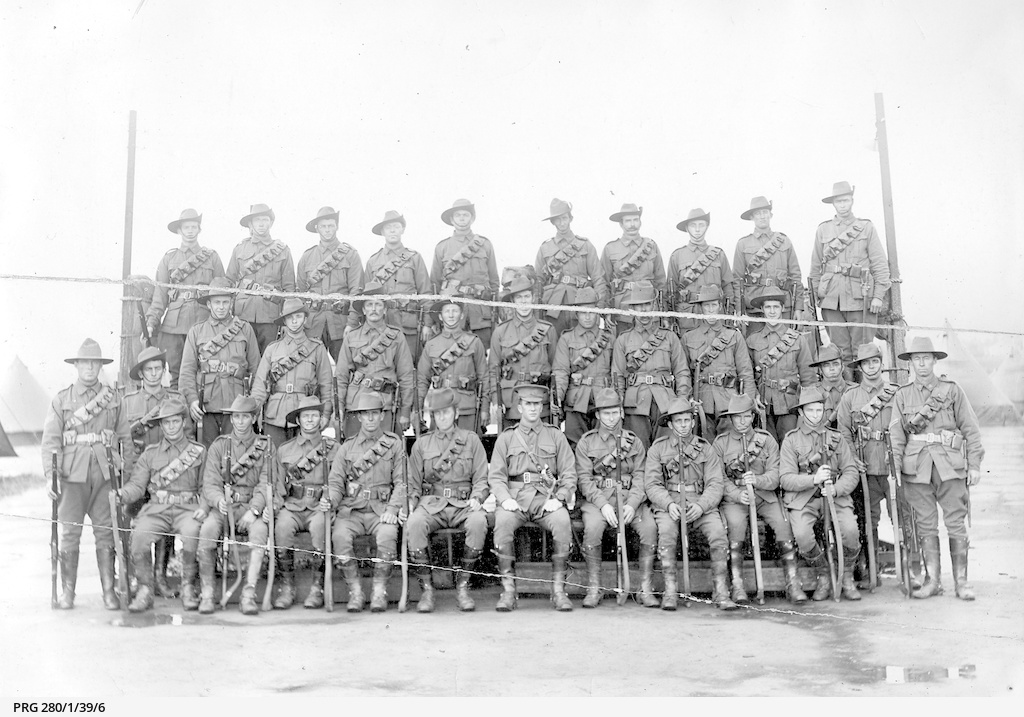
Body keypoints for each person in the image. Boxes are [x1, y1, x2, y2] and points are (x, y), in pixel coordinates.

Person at [888, 336, 984, 601]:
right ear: (910, 363)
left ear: (934, 360)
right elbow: (896, 437)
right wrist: (895, 471)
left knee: (955, 521)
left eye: (926, 358)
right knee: (925, 525)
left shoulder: (952, 391)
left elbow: (971, 430)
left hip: (949, 466)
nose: (921, 364)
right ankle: (932, 581)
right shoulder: (902, 395)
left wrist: (974, 465)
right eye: (916, 359)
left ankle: (961, 582)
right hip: (916, 469)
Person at [42, 338, 135, 610]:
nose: (90, 368)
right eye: (85, 363)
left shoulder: (113, 399)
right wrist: (51, 475)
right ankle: (68, 593)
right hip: (72, 475)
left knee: (106, 533)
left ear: (99, 366)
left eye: (95, 363)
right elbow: (50, 442)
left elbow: (125, 438)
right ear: (77, 365)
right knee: (70, 533)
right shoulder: (62, 399)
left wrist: (125, 477)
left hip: (105, 475)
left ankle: (109, 591)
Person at [489, 384, 578, 612]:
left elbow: (569, 472)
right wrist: (504, 497)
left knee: (562, 521)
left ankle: (559, 591)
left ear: (543, 407)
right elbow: (496, 476)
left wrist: (559, 498)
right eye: (528, 404)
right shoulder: (506, 438)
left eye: (537, 404)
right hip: (515, 498)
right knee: (502, 524)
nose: (533, 409)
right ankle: (509, 592)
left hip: (544, 498)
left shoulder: (555, 435)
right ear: (519, 407)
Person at [115, 397, 208, 612]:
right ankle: (146, 590)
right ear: (161, 425)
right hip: (157, 509)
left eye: (175, 421)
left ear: (184, 422)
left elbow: (206, 486)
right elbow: (137, 486)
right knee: (139, 536)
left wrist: (203, 508)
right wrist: (121, 494)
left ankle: (187, 588)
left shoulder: (199, 452)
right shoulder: (150, 454)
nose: (171, 427)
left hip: (188, 509)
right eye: (166, 423)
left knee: (192, 533)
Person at [712, 394, 807, 604]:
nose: (742, 421)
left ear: (752, 417)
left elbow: (775, 476)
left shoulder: (767, 440)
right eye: (737, 417)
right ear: (731, 419)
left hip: (764, 495)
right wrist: (738, 494)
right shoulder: (721, 444)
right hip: (736, 499)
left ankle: (793, 583)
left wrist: (758, 480)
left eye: (746, 416)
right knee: (735, 528)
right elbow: (719, 479)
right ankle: (737, 585)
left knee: (784, 526)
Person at [644, 397, 737, 611]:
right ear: (670, 424)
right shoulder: (658, 449)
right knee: (666, 532)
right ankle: (670, 590)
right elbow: (652, 484)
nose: (684, 425)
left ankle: (721, 590)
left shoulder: (705, 449)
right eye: (678, 421)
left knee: (717, 534)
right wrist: (668, 505)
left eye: (687, 420)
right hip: (670, 502)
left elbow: (715, 483)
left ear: (693, 422)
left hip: (699, 502)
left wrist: (702, 506)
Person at [406, 388, 490, 612]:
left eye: (446, 412)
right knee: (414, 524)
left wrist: (477, 497)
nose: (441, 417)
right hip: (432, 505)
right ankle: (427, 591)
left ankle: (463, 587)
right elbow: (413, 483)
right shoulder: (421, 445)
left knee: (479, 522)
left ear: (455, 412)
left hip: (464, 505)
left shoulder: (471, 441)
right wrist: (411, 504)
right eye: (437, 413)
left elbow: (482, 478)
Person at [123, 346, 194, 600]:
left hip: (168, 473)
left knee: (165, 528)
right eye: (148, 370)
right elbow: (123, 440)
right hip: (139, 474)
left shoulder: (175, 400)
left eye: (157, 369)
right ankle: (139, 579)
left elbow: (186, 437)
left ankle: (161, 578)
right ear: (140, 373)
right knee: (136, 524)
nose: (153, 374)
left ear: (163, 371)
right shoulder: (128, 402)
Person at [574, 388, 657, 607]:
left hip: (630, 498)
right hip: (598, 500)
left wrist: (632, 504)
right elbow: (584, 479)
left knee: (649, 527)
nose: (611, 417)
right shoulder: (586, 442)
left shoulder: (634, 442)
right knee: (592, 528)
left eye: (614, 412)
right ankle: (594, 587)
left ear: (621, 412)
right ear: (598, 415)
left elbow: (641, 475)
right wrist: (602, 506)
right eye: (605, 413)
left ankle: (644, 588)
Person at [328, 392, 409, 613]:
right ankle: (355, 591)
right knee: (340, 536)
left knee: (388, 535)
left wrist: (393, 509)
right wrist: (331, 501)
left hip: (381, 511)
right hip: (351, 511)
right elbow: (336, 483)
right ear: (359, 417)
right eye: (366, 414)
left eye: (375, 413)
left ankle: (379, 591)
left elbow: (402, 482)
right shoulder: (346, 448)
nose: (371, 419)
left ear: (382, 416)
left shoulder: (393, 445)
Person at [779, 386, 861, 601]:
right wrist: (812, 480)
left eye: (819, 410)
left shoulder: (836, 438)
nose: (815, 415)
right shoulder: (791, 440)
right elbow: (785, 478)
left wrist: (837, 488)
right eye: (810, 411)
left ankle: (846, 576)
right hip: (804, 499)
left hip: (835, 496)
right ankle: (823, 574)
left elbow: (851, 471)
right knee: (803, 535)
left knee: (850, 531)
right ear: (801, 412)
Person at [198, 396, 274, 615]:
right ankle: (207, 594)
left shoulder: (265, 446)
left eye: (245, 417)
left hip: (251, 505)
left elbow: (266, 481)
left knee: (260, 531)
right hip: (225, 506)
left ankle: (248, 595)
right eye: (236, 417)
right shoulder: (220, 446)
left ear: (253, 418)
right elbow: (210, 482)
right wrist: (218, 500)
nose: (240, 422)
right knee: (208, 530)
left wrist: (255, 510)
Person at [808, 181, 891, 376]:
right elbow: (815, 268)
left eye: (845, 200)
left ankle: (866, 395)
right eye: (839, 201)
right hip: (831, 301)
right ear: (833, 204)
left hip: (861, 299)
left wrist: (878, 296)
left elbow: (879, 264)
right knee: (839, 353)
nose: (842, 204)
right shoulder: (823, 230)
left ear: (852, 201)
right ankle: (847, 398)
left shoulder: (866, 227)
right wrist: (816, 298)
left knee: (864, 352)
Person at [837, 343, 900, 589]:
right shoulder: (850, 397)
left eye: (875, 362)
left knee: (901, 518)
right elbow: (843, 430)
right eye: (866, 363)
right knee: (869, 520)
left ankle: (907, 569)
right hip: (866, 469)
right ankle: (872, 571)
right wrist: (853, 458)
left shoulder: (897, 392)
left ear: (881, 364)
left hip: (891, 465)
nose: (871, 367)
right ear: (860, 367)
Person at [271, 396, 340, 610]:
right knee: (281, 527)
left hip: (320, 506)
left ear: (321, 419)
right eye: (305, 416)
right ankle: (287, 587)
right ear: (298, 420)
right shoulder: (284, 450)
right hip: (292, 504)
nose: (310, 420)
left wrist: (332, 500)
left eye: (314, 415)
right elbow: (278, 484)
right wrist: (274, 506)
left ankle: (316, 588)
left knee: (320, 528)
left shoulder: (334, 449)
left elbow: (338, 481)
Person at [144, 208, 226, 384]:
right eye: (186, 227)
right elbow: (160, 296)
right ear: (179, 230)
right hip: (174, 325)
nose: (190, 230)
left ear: (199, 229)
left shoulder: (212, 258)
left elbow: (221, 293)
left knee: (204, 374)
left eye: (194, 227)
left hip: (203, 323)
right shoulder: (168, 259)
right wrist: (151, 322)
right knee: (175, 375)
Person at [178, 278, 261, 446]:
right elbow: (187, 372)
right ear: (209, 304)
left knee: (237, 455)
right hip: (207, 406)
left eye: (225, 302)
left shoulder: (245, 329)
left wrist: (253, 405)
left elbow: (256, 370)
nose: (221, 307)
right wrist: (193, 400)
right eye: (217, 302)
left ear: (231, 303)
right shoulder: (197, 332)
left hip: (238, 406)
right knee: (208, 456)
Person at [611, 280, 691, 448]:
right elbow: (617, 376)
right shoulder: (623, 339)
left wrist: (682, 403)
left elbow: (682, 372)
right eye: (639, 306)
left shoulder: (669, 337)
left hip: (666, 403)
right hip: (635, 405)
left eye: (647, 304)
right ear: (632, 309)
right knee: (637, 451)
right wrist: (619, 405)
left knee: (668, 452)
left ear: (654, 304)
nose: (644, 311)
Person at [250, 298, 334, 447]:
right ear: (284, 321)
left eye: (298, 316)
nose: (294, 321)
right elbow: (260, 386)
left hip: (305, 414)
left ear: (305, 319)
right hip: (275, 416)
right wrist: (255, 411)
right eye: (290, 317)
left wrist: (326, 414)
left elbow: (326, 385)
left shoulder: (317, 349)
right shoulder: (272, 349)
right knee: (274, 462)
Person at [335, 282, 415, 438]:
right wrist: (339, 408)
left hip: (385, 406)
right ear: (363, 310)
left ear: (385, 309)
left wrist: (405, 411)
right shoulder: (351, 337)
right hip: (356, 404)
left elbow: (406, 377)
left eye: (378, 304)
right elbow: (341, 377)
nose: (373, 309)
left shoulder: (397, 337)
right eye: (369, 304)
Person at [682, 285, 755, 441]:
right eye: (706, 306)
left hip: (729, 401)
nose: (710, 310)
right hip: (702, 400)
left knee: (731, 448)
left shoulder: (733, 336)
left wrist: (747, 404)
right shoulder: (688, 337)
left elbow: (746, 372)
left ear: (720, 307)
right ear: (700, 308)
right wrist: (688, 400)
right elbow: (684, 373)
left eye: (713, 305)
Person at [745, 287, 816, 443]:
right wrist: (754, 396)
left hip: (789, 404)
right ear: (762, 309)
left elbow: (808, 377)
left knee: (789, 446)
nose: (772, 311)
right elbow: (747, 374)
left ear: (783, 308)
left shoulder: (797, 339)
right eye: (768, 307)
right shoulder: (752, 340)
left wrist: (808, 407)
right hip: (763, 403)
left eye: (776, 307)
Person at [226, 203, 296, 354]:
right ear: (250, 224)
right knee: (242, 358)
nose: (261, 224)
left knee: (268, 359)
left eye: (265, 220)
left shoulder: (282, 251)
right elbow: (229, 282)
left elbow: (289, 288)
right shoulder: (240, 249)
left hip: (270, 315)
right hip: (243, 314)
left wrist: (286, 320)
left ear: (270, 223)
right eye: (257, 220)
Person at [430, 198, 500, 349]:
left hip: (481, 313)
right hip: (452, 313)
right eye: (458, 215)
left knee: (482, 355)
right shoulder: (442, 247)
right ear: (452, 219)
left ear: (472, 218)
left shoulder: (485, 244)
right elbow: (434, 284)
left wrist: (496, 312)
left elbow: (494, 282)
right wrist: (434, 320)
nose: (462, 218)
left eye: (466, 215)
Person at [297, 206, 364, 361]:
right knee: (310, 372)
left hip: (341, 324)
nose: (327, 230)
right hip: (313, 325)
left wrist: (352, 323)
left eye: (331, 226)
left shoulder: (350, 255)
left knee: (345, 371)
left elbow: (356, 292)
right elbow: (299, 294)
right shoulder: (307, 257)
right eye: (323, 226)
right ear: (317, 228)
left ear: (337, 227)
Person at [365, 209, 432, 364]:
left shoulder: (414, 258)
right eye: (388, 227)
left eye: (396, 226)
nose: (393, 230)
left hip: (408, 326)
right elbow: (366, 299)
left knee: (409, 367)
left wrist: (427, 324)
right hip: (382, 325)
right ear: (382, 232)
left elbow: (426, 293)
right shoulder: (373, 262)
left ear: (402, 229)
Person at [535, 198, 608, 338]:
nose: (562, 223)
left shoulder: (585, 245)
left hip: (581, 306)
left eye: (564, 218)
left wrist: (598, 309)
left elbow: (598, 278)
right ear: (553, 222)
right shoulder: (545, 248)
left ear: (570, 218)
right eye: (558, 219)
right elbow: (538, 281)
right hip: (553, 308)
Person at [490, 275, 556, 430]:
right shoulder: (500, 331)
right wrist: (496, 400)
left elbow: (556, 368)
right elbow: (493, 370)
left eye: (527, 296)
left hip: (539, 400)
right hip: (511, 401)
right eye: (519, 297)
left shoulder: (548, 330)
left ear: (533, 298)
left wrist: (554, 399)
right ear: (513, 301)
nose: (524, 301)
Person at [551, 287, 615, 447]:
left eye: (591, 312)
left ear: (598, 313)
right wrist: (557, 397)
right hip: (576, 400)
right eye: (583, 312)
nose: (587, 316)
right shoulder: (566, 339)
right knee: (575, 446)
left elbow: (616, 371)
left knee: (605, 447)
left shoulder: (609, 338)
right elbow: (560, 372)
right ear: (576, 314)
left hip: (603, 400)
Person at [416, 295, 489, 433]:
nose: (451, 315)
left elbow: (484, 377)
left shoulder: (474, 342)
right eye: (447, 311)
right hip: (440, 407)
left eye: (455, 311)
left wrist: (485, 409)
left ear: (461, 315)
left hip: (467, 408)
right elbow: (422, 380)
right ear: (441, 316)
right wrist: (418, 409)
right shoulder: (431, 345)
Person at [733, 196, 804, 324]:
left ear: (770, 215)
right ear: (751, 217)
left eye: (765, 212)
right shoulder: (743, 244)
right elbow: (737, 279)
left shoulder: (784, 241)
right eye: (757, 213)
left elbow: (796, 276)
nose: (762, 216)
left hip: (782, 306)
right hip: (754, 307)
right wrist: (739, 309)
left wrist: (798, 307)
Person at [668, 208, 738, 334]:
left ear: (707, 227)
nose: (697, 229)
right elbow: (670, 290)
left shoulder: (718, 254)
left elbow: (728, 287)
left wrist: (730, 313)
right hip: (688, 316)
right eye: (693, 225)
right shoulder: (677, 256)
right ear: (687, 228)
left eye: (701, 225)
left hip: (714, 315)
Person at [601, 203, 667, 333]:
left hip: (648, 309)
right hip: (622, 309)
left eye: (635, 220)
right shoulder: (610, 249)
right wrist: (606, 311)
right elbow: (604, 283)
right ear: (621, 224)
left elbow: (661, 281)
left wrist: (664, 312)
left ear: (640, 222)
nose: (632, 225)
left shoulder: (651, 246)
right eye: (628, 221)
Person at [810, 344, 855, 428]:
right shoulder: (812, 392)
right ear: (820, 369)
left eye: (835, 364)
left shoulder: (854, 390)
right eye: (826, 365)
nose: (832, 368)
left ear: (842, 366)